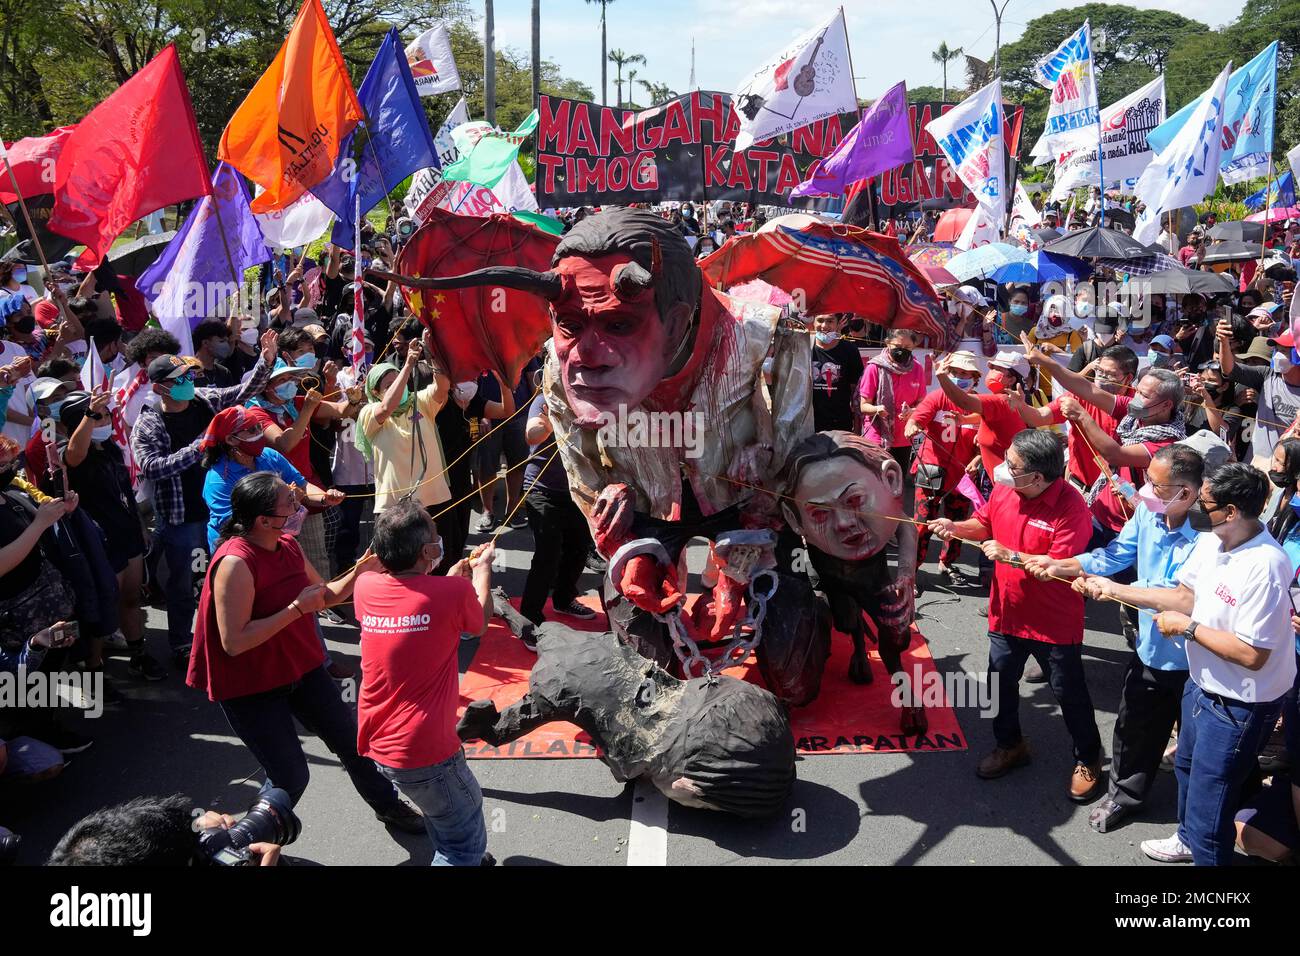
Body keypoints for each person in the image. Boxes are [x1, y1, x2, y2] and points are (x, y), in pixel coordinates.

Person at [1082, 464, 1297, 865]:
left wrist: (1189, 629)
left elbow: (1252, 655)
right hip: (1203, 686)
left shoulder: (1265, 566)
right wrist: (1115, 589)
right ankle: (1187, 839)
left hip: (1238, 703)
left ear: (1231, 512)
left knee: (1208, 804)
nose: (1196, 504)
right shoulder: (1211, 539)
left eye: (1206, 501)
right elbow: (1182, 596)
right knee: (1185, 765)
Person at [186, 472, 421, 833]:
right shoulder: (235, 562)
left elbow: (324, 596)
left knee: (352, 742)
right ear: (263, 520)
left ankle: (389, 807)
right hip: (252, 685)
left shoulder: (288, 545)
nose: (299, 505)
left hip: (300, 667)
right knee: (290, 776)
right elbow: (234, 641)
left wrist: (363, 568)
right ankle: (245, 840)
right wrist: (295, 609)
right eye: (290, 503)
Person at [1026, 444, 1203, 831]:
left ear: (1186, 494)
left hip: (1198, 660)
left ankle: (1194, 823)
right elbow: (1117, 553)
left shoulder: (1210, 536)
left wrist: (1113, 590)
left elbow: (1179, 599)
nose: (1145, 494)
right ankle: (1124, 796)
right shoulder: (1148, 512)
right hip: (1150, 648)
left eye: (1156, 487)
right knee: (1133, 729)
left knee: (1197, 747)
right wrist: (1067, 564)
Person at [929, 429, 1102, 801]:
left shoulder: (1073, 509)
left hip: (1053, 621)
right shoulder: (1007, 490)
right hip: (1006, 613)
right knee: (999, 683)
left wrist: (1011, 556)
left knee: (1068, 692)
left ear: (1037, 478)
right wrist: (955, 528)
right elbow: (984, 524)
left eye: (1012, 465)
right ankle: (1010, 745)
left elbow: (1061, 565)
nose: (1004, 469)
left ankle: (1088, 758)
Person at [354, 502, 495, 865]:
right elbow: (478, 622)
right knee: (462, 840)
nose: (439, 541)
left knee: (442, 812)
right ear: (427, 552)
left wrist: (450, 581)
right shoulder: (451, 594)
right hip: (424, 750)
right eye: (435, 537)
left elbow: (416, 603)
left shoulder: (365, 586)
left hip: (382, 743)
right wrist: (482, 571)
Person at [131, 332, 276, 664]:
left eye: (189, 374)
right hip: (184, 518)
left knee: (231, 578)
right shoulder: (148, 422)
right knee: (185, 585)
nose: (188, 380)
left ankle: (231, 636)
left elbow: (242, 391)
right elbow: (152, 468)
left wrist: (265, 361)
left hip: (222, 509)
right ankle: (183, 644)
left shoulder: (204, 399)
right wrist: (199, 446)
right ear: (160, 388)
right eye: (179, 378)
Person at [59, 391, 163, 680]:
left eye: (106, 415)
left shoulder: (111, 449)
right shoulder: (68, 454)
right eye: (98, 416)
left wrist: (140, 526)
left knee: (130, 599)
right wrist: (90, 415)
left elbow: (126, 492)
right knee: (104, 606)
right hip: (101, 543)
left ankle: (138, 654)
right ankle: (93, 667)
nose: (106, 421)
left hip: (127, 535)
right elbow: (74, 454)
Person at [198, 406, 343, 552]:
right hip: (237, 550)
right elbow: (234, 525)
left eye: (259, 427)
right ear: (231, 439)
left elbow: (302, 485)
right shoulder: (218, 479)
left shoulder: (269, 456)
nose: (259, 433)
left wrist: (324, 497)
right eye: (252, 430)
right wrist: (288, 503)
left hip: (272, 539)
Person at [519, 391, 597, 627]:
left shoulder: (590, 400)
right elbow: (531, 435)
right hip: (541, 489)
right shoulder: (545, 400)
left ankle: (563, 599)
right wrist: (553, 419)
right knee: (548, 552)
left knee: (579, 548)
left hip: (576, 489)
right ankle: (530, 615)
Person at [906, 350, 981, 586]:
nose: (959, 377)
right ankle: (912, 573)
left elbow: (987, 441)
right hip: (931, 471)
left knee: (957, 525)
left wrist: (977, 460)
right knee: (922, 525)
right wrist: (912, 425)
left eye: (965, 374)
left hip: (962, 478)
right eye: (955, 372)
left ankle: (947, 562)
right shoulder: (938, 397)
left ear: (975, 378)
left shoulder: (980, 405)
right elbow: (917, 418)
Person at [356, 336, 452, 519]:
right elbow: (386, 407)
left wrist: (434, 352)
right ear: (375, 392)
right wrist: (407, 366)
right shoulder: (368, 412)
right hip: (394, 507)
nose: (400, 387)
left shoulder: (420, 401)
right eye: (390, 385)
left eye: (400, 380)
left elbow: (442, 388)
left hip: (432, 501)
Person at [1217, 320, 1300, 471]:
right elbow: (1229, 369)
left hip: (1288, 469)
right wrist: (1223, 342)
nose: (1278, 355)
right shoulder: (1267, 375)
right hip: (1257, 463)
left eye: (1285, 350)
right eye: (1277, 349)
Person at [859, 327, 926, 473]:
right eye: (897, 346)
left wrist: (912, 411)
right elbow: (863, 406)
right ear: (888, 343)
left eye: (907, 347)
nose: (902, 350)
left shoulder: (917, 369)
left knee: (897, 483)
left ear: (914, 346)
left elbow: (922, 403)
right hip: (877, 436)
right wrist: (877, 409)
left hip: (904, 437)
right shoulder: (874, 368)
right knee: (876, 481)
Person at [810, 313, 864, 433]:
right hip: (808, 424)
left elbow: (856, 393)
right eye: (820, 320)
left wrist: (857, 425)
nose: (824, 325)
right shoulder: (805, 348)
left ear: (838, 324)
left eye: (830, 321)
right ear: (813, 322)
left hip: (841, 424)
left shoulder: (850, 350)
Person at [190, 320, 236, 389]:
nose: (226, 345)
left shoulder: (224, 373)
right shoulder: (189, 373)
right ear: (205, 343)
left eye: (227, 341)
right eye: (222, 341)